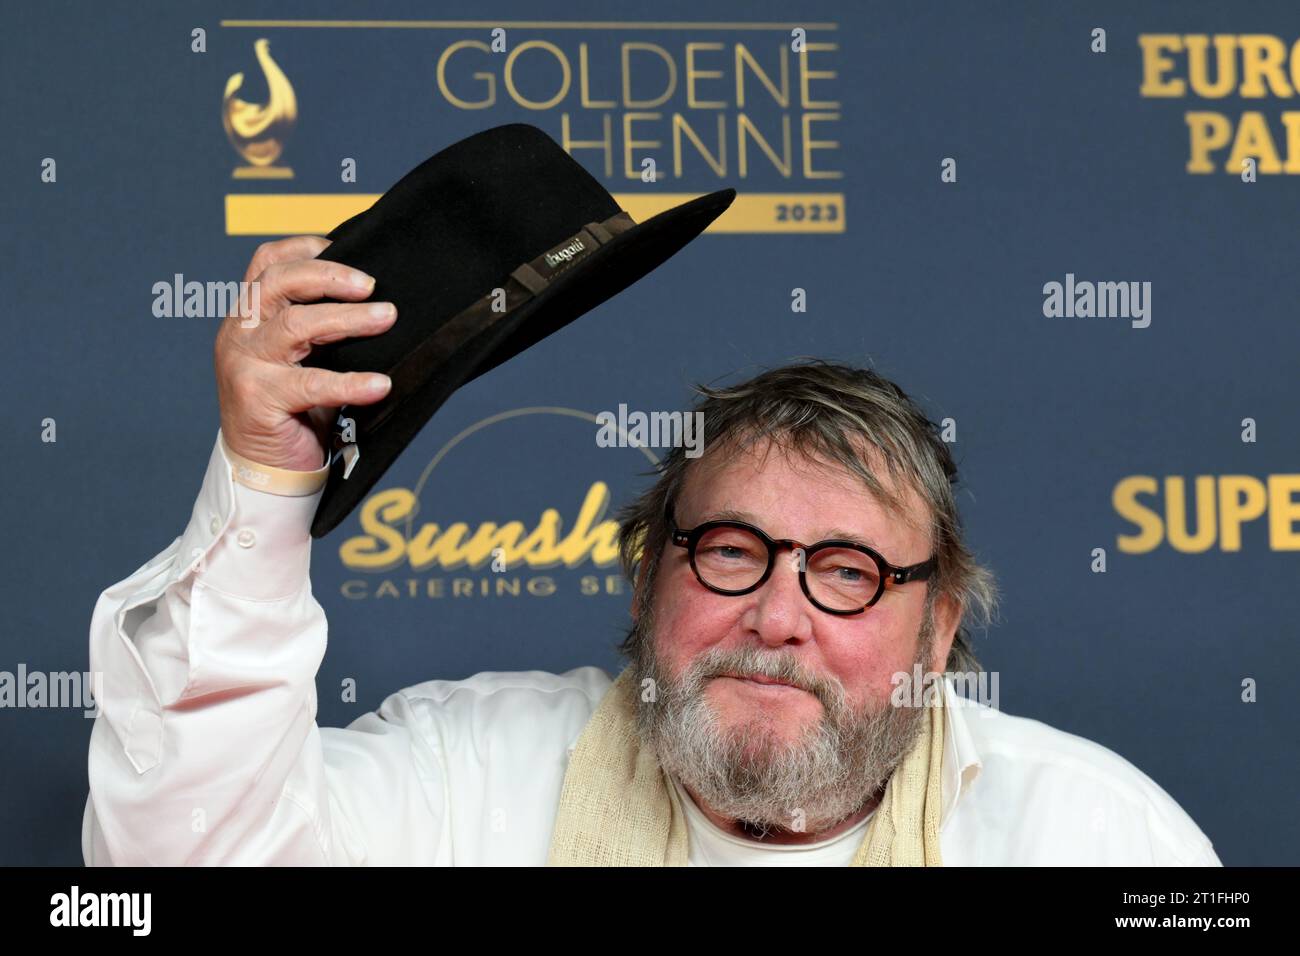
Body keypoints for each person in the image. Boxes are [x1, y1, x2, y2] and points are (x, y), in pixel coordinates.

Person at [82, 236, 1221, 866]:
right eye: (730, 550)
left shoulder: (1097, 834)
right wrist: (267, 486)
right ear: (648, 577)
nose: (779, 616)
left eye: (847, 573)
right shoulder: (466, 773)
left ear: (938, 624)